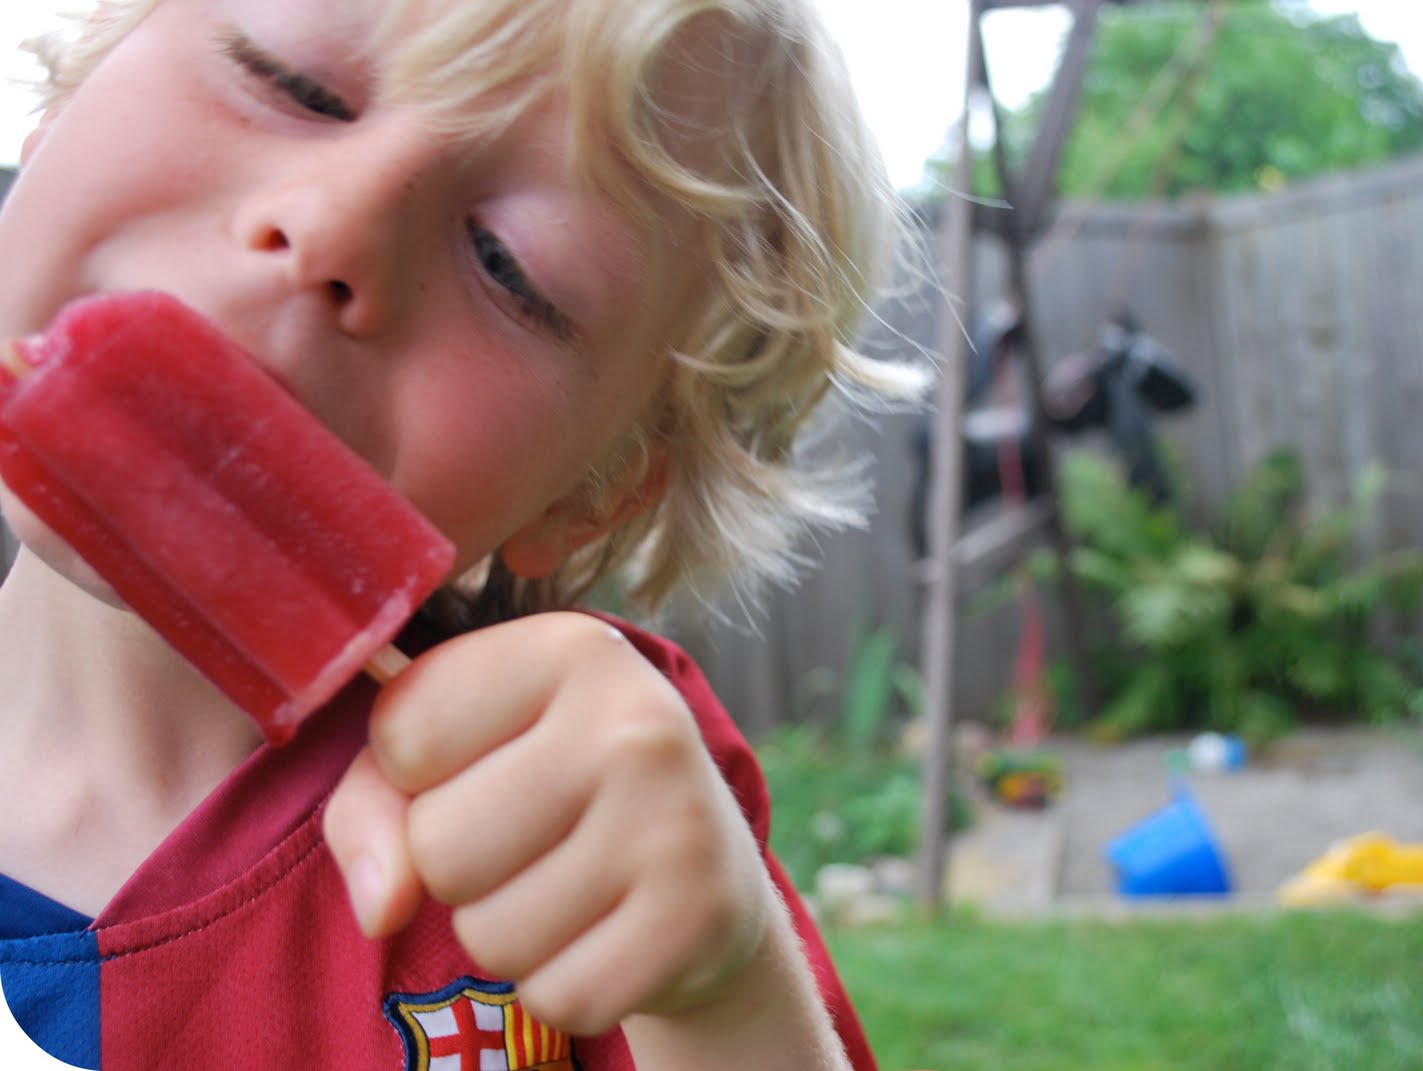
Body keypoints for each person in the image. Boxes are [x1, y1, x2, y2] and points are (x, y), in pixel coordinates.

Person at [0, 0, 924, 1068]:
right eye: (290, 80)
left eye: (508, 265)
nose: (334, 224)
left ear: (596, 488)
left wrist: (724, 1002)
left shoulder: (587, 813)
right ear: (59, 108)